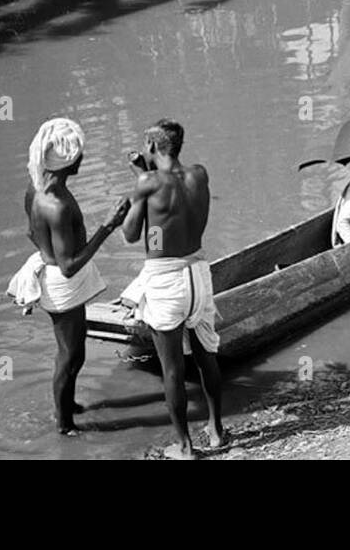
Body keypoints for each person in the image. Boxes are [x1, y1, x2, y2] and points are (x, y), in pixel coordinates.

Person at [7, 117, 129, 436]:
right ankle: (64, 425)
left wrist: (47, 255)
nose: (83, 161)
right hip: (63, 283)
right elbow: (70, 265)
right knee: (70, 355)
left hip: (52, 274)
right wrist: (109, 225)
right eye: (80, 156)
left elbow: (30, 232)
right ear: (68, 161)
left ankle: (68, 405)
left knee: (74, 351)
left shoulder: (35, 190)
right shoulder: (57, 204)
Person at [118, 120, 224, 459]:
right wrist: (147, 175)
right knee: (207, 355)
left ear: (150, 145)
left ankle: (185, 447)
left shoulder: (147, 182)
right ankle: (217, 430)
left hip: (166, 279)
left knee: (172, 368)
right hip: (199, 273)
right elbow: (173, 192)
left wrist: (139, 180)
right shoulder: (200, 174)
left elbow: (131, 234)